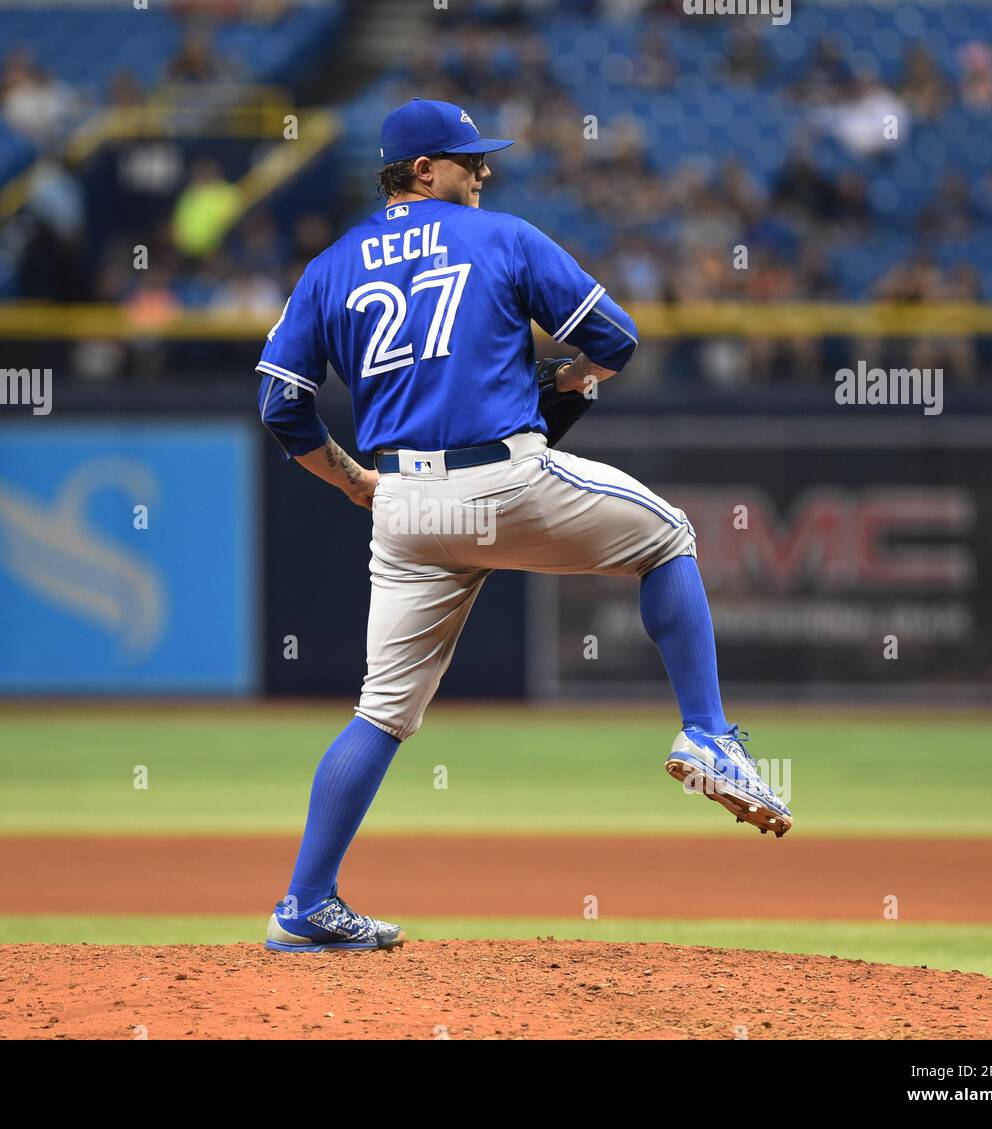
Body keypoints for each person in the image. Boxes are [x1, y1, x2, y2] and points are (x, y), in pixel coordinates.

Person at [256, 98, 791, 954]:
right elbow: (616, 336)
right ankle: (710, 734)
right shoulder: (502, 237)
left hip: (402, 508)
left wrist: (350, 478)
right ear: (423, 170)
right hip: (502, 479)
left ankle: (304, 904)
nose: (485, 171)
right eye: (468, 160)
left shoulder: (329, 266)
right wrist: (573, 382)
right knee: (668, 538)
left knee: (381, 714)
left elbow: (281, 404)